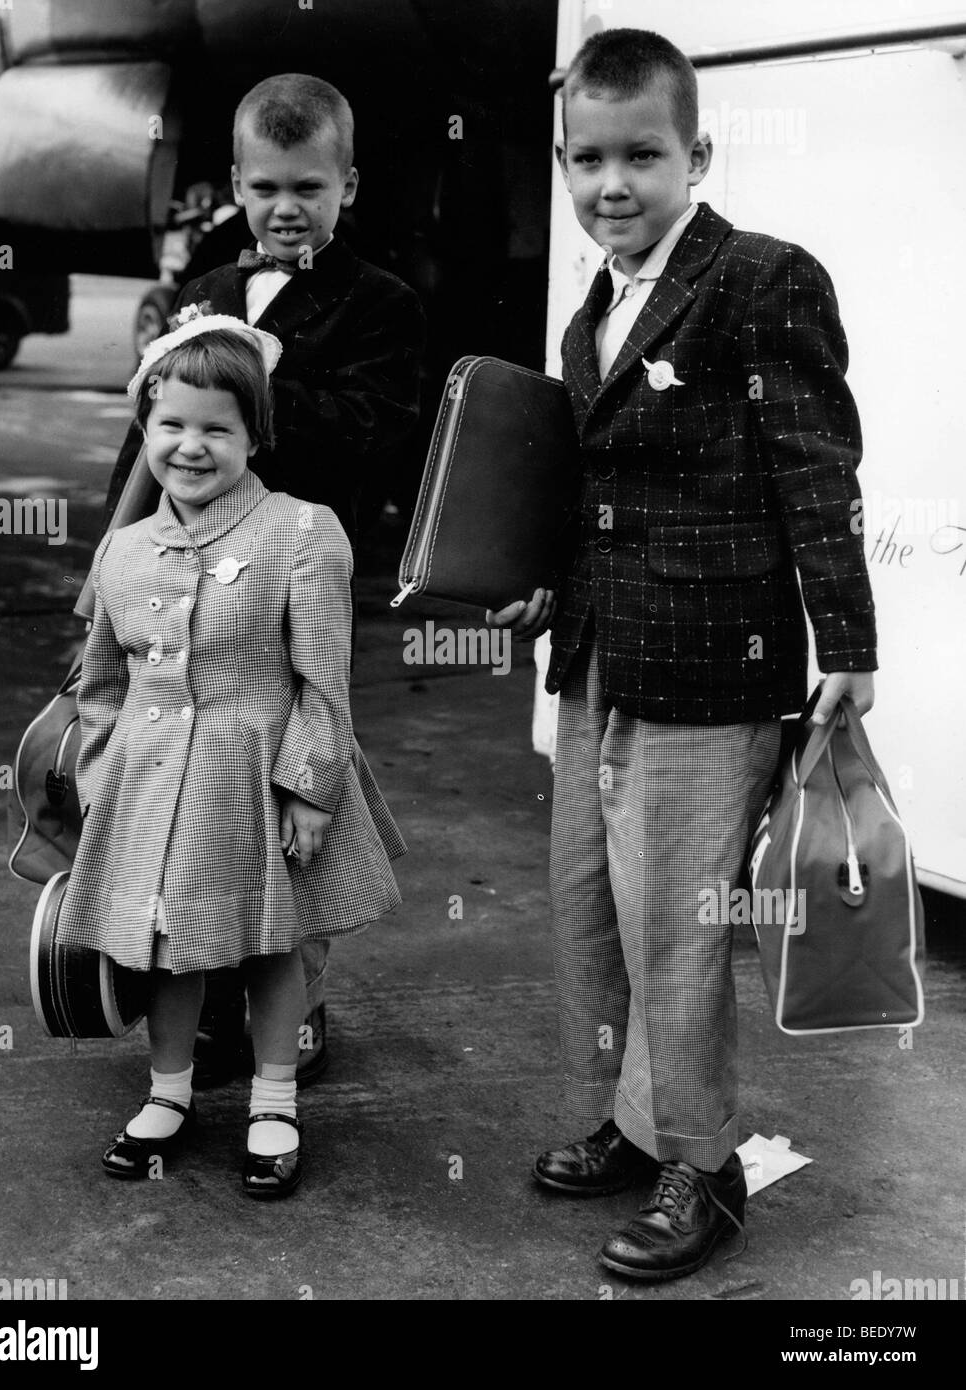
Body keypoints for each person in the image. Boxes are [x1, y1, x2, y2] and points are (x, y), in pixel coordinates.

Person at [488, 28, 877, 1280]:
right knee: (592, 913)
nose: (612, 185)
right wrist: (541, 583)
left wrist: (847, 640)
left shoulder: (763, 279)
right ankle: (633, 1119)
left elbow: (814, 470)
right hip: (602, 652)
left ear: (694, 154)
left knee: (678, 927)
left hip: (717, 658)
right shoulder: (591, 309)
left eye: (641, 157)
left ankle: (702, 1168)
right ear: (561, 163)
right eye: (587, 159)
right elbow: (593, 489)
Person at [103, 74, 425, 1089]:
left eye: (309, 187)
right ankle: (205, 983)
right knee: (200, 794)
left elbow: (372, 440)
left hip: (291, 587)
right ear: (235, 183)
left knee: (298, 797)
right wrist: (107, 565)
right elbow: (148, 436)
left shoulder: (383, 304)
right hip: (182, 591)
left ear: (348, 185)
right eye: (266, 186)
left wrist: (248, 374)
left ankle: (299, 998)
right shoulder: (204, 282)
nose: (285, 208)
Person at [57, 315, 405, 1196]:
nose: (192, 446)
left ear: (256, 434)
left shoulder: (301, 532)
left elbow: (322, 678)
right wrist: (103, 776)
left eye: (218, 427)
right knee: (164, 941)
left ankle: (274, 1099)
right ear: (145, 426)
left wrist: (311, 787)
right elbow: (99, 684)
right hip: (148, 781)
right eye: (172, 424)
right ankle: (168, 1095)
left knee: (268, 944)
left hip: (255, 774)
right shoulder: (124, 549)